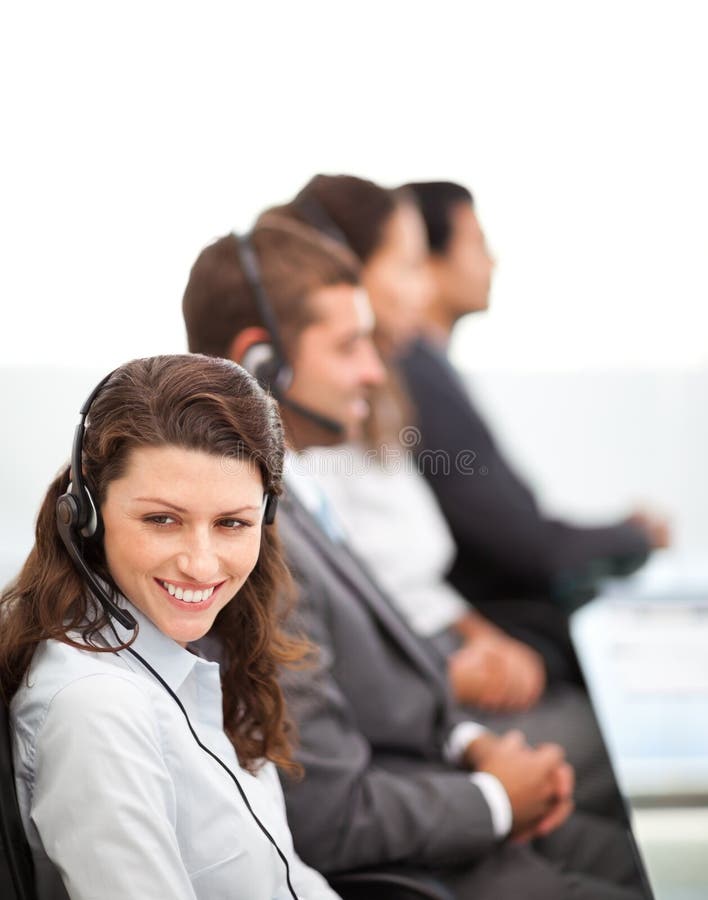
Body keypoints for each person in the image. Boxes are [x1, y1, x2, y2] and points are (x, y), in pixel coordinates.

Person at [182, 219, 647, 899]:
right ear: (260, 362)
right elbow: (328, 814)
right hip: (423, 864)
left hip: (444, 791)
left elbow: (390, 690)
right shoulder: (252, 546)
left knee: (638, 858)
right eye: (348, 347)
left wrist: (471, 745)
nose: (374, 369)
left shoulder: (301, 495)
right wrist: (493, 797)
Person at [0, 354, 340, 900]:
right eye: (162, 520)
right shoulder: (96, 708)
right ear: (85, 514)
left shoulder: (205, 651)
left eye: (232, 523)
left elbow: (288, 878)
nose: (201, 564)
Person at [400, 180, 670, 619]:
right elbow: (525, 544)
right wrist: (635, 535)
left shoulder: (431, 371)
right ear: (425, 260)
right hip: (503, 623)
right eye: (477, 244)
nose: (492, 260)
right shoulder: (418, 376)